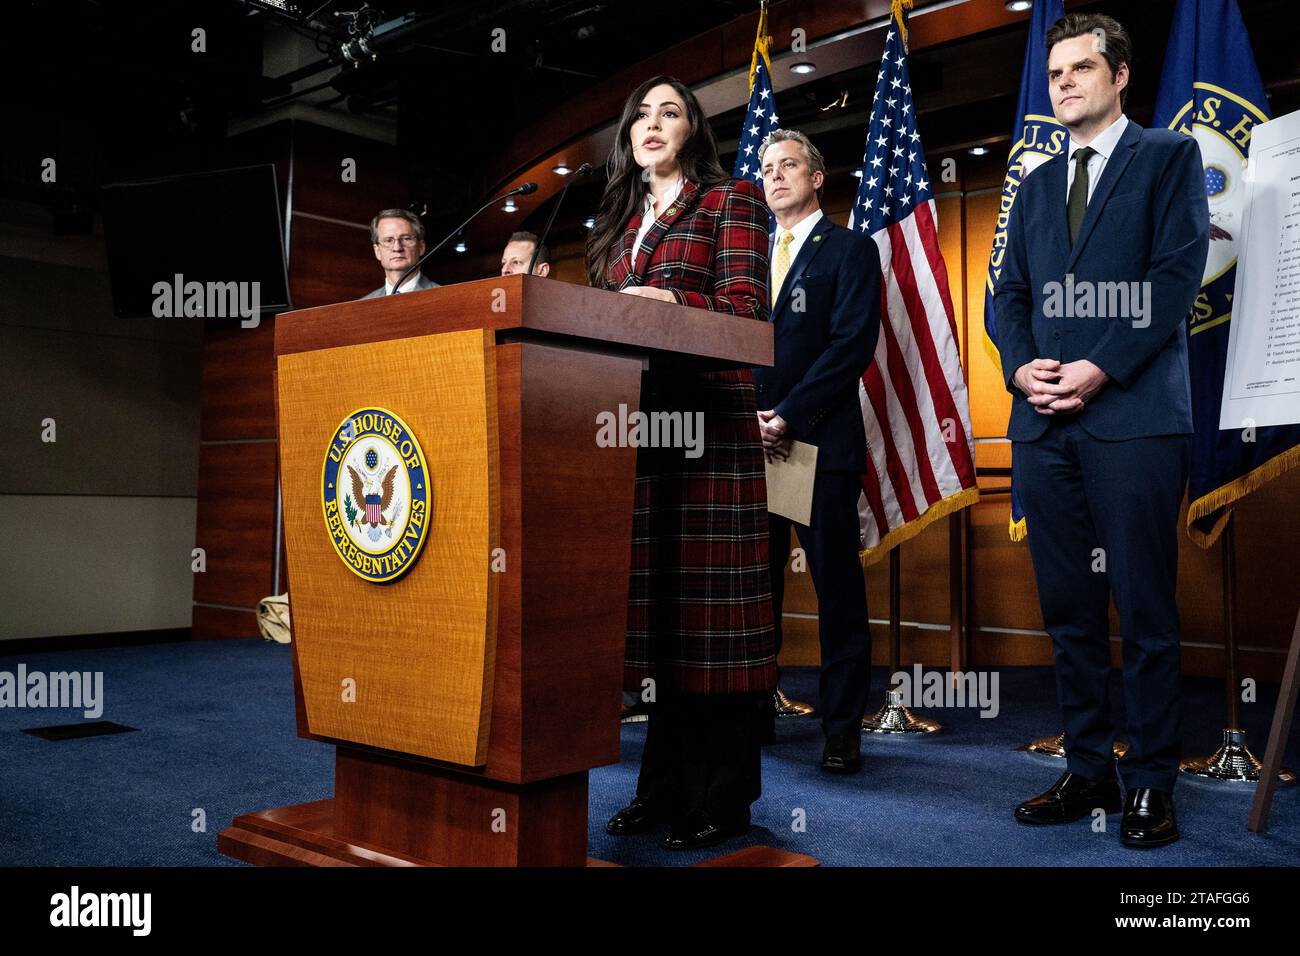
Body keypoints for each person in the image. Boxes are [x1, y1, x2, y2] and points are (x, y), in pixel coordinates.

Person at [995, 14, 1209, 848]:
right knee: (1070, 610)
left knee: (1145, 610)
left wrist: (1101, 366)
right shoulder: (1039, 184)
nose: (1064, 84)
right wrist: (1020, 368)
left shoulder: (1168, 157)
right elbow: (1006, 294)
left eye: (1081, 69)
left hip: (1134, 419)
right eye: (1055, 74)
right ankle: (1090, 770)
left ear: (1120, 76)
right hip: (1041, 426)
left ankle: (1154, 779)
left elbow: (1176, 273)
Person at [588, 75, 776, 851]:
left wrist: (673, 308)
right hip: (638, 431)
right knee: (662, 622)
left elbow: (746, 314)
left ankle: (723, 799)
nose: (652, 124)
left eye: (671, 112)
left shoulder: (730, 200)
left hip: (710, 430)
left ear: (693, 130)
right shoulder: (615, 221)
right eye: (641, 114)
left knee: (714, 627)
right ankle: (661, 787)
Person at [753, 129, 881, 774]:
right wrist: (751, 418)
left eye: (789, 166)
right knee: (752, 587)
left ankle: (841, 728)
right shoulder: (748, 256)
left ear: (817, 177)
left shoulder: (850, 250)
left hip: (817, 445)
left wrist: (790, 415)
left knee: (836, 591)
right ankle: (755, 714)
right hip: (750, 445)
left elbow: (850, 347)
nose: (775, 177)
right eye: (767, 168)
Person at [363, 208, 440, 297]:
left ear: (421, 247)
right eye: (388, 240)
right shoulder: (360, 307)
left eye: (406, 239)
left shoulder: (445, 298)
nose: (397, 248)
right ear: (377, 251)